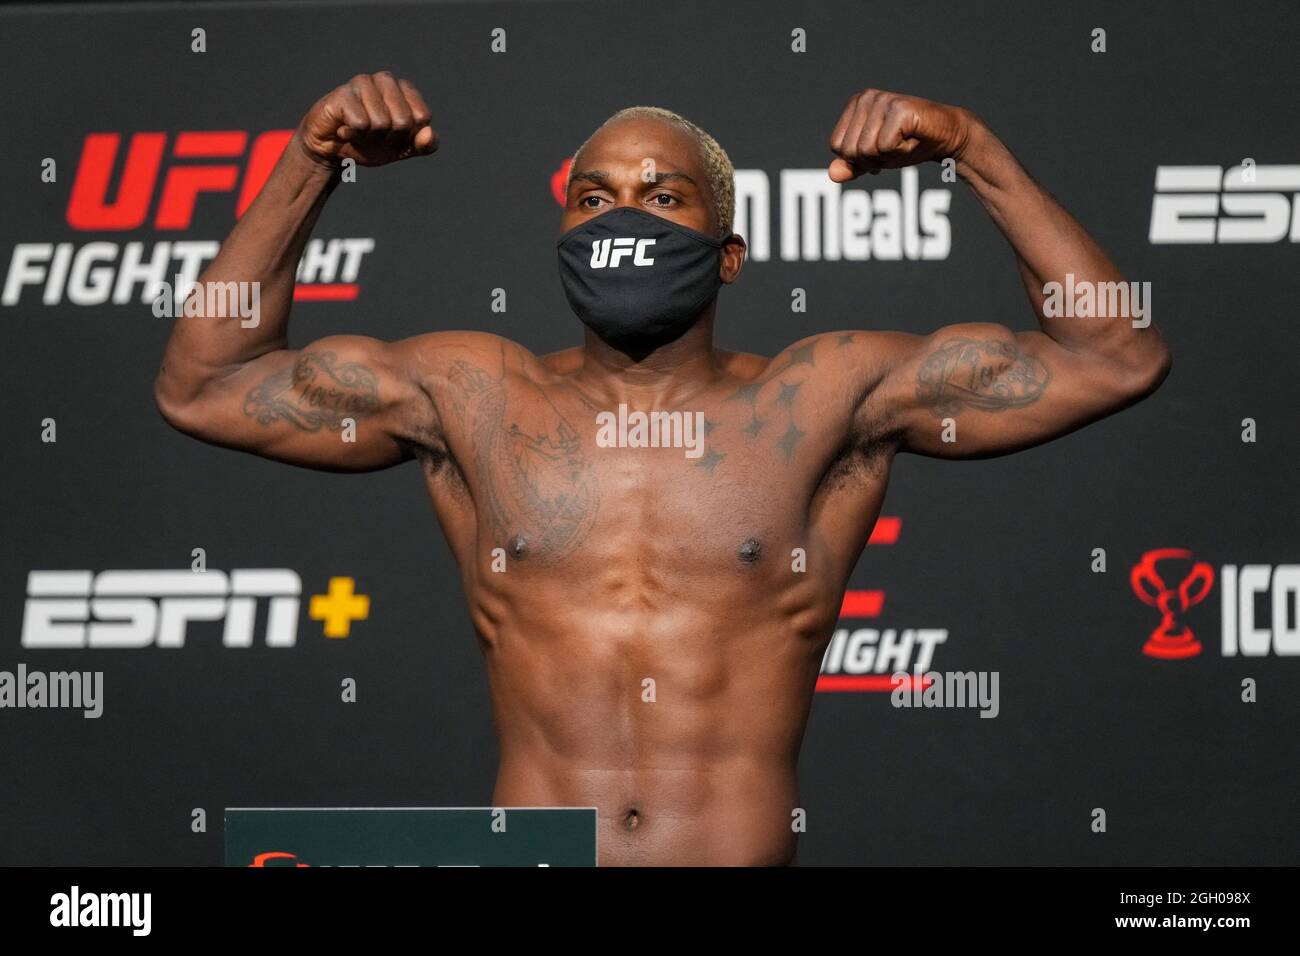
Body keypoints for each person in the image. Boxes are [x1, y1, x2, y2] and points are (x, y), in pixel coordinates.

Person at [155, 72, 1170, 865]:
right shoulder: (470, 395)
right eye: (592, 196)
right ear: (560, 236)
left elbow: (1112, 353)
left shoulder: (818, 398)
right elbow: (205, 382)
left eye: (662, 196)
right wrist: (311, 159)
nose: (621, 219)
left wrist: (970, 146)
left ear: (727, 254)